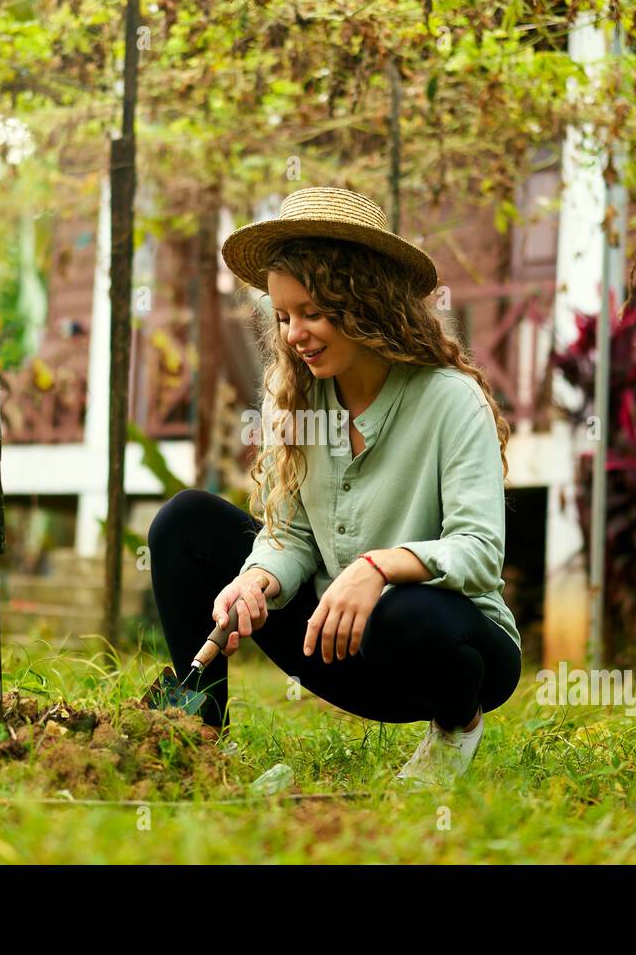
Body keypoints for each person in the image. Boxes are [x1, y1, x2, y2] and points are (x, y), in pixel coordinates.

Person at [148, 187, 521, 787]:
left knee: (408, 611)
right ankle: (198, 744)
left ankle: (456, 729)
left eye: (314, 312)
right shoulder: (292, 397)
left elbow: (479, 551)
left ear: (367, 302)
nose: (295, 333)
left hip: (441, 650)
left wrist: (376, 568)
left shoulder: (451, 400)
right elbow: (289, 534)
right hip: (333, 642)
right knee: (183, 522)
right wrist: (255, 580)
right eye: (284, 316)